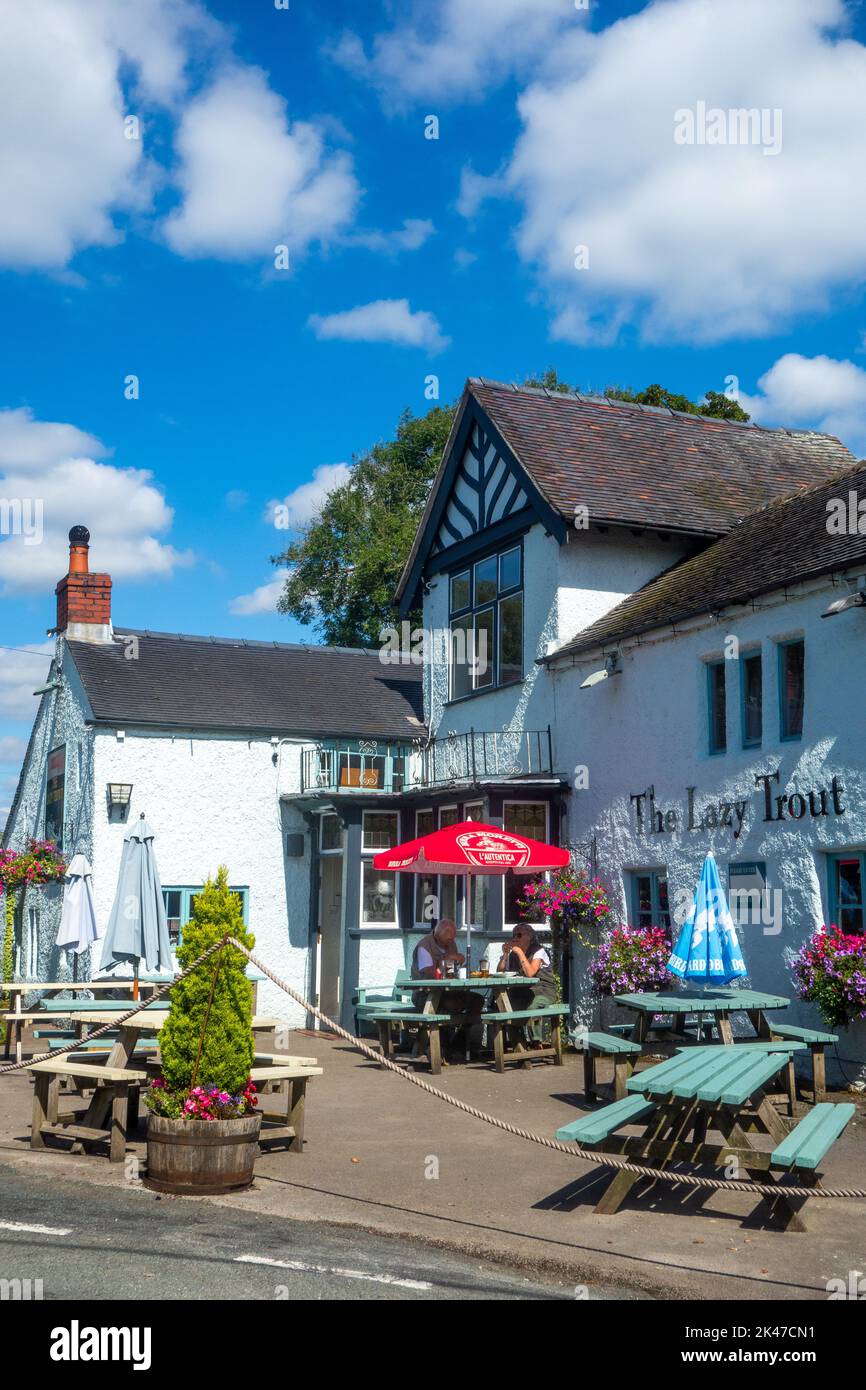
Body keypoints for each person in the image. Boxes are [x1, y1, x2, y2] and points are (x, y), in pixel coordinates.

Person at [412, 919, 483, 1058]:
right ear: (438, 934)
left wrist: (459, 961)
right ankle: (440, 1046)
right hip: (424, 994)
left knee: (477, 1001)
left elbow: (453, 969)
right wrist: (445, 959)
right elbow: (428, 973)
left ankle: (459, 1040)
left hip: (449, 992)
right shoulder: (424, 946)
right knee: (451, 1004)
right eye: (448, 939)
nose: (450, 942)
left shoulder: (451, 944)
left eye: (452, 939)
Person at [497, 924, 558, 1046]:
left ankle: (536, 1042)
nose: (515, 938)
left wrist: (520, 953)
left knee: (532, 1008)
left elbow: (530, 973)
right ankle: (519, 1047)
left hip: (543, 991)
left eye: (519, 935)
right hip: (523, 992)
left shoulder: (539, 951)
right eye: (513, 935)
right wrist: (505, 955)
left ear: (529, 937)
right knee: (506, 1009)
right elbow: (500, 971)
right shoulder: (513, 954)